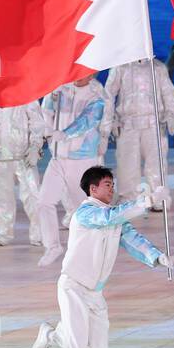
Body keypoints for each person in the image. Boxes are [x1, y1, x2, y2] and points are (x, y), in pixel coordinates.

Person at [30, 166, 170, 348]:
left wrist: (157, 257)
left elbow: (133, 240)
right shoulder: (86, 213)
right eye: (107, 185)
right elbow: (109, 217)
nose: (112, 189)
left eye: (113, 185)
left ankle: (51, 336)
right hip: (73, 286)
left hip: (94, 292)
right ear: (93, 189)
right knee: (75, 347)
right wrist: (148, 200)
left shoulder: (115, 218)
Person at [37, 74, 109, 267]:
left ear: (92, 73)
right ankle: (52, 246)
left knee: (84, 208)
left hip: (82, 159)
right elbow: (46, 110)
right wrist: (47, 129)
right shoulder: (60, 89)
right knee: (44, 201)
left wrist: (64, 134)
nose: (78, 76)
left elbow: (88, 121)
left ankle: (95, 248)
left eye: (83, 71)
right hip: (58, 157)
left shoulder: (96, 95)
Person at [0, 90, 45, 247]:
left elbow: (36, 122)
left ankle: (41, 232)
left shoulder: (25, 91)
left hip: (23, 154)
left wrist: (35, 146)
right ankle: (0, 233)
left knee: (33, 194)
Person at [101, 58, 174, 205]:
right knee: (127, 163)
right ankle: (128, 197)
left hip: (154, 122)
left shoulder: (158, 68)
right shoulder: (120, 68)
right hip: (127, 123)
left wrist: (170, 114)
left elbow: (168, 93)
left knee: (156, 163)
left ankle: (159, 196)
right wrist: (109, 121)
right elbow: (108, 95)